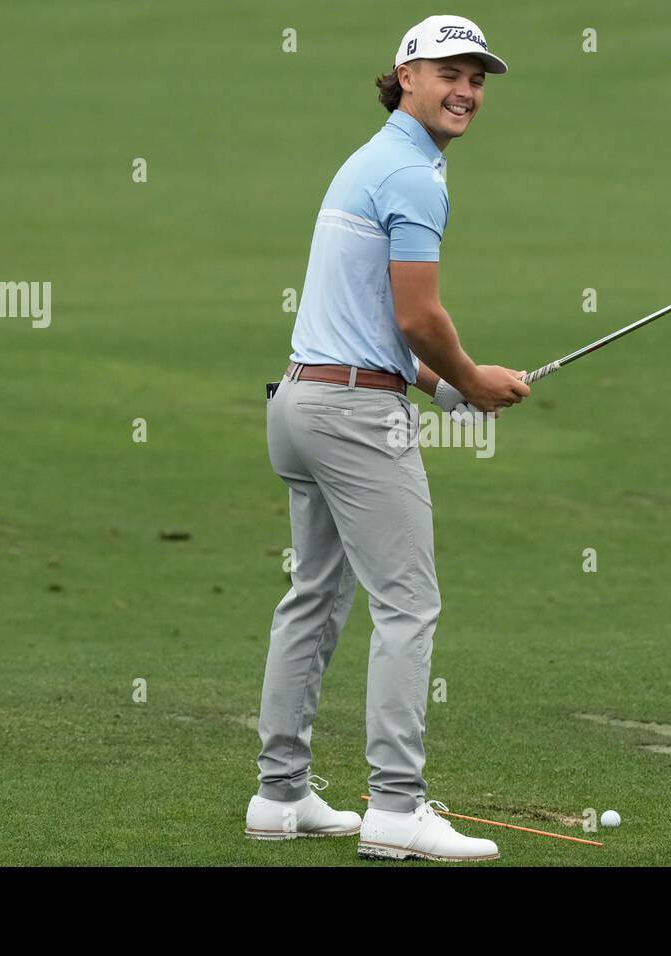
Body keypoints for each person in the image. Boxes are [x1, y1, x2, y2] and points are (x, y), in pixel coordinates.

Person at [245, 14, 530, 862]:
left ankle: (281, 795)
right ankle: (398, 809)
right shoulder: (413, 173)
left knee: (315, 599)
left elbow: (376, 328)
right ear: (405, 75)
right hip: (355, 420)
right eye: (451, 72)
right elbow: (416, 314)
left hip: (303, 403)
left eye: (478, 78)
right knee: (408, 607)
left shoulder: (371, 160)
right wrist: (474, 377)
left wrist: (448, 395)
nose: (467, 91)